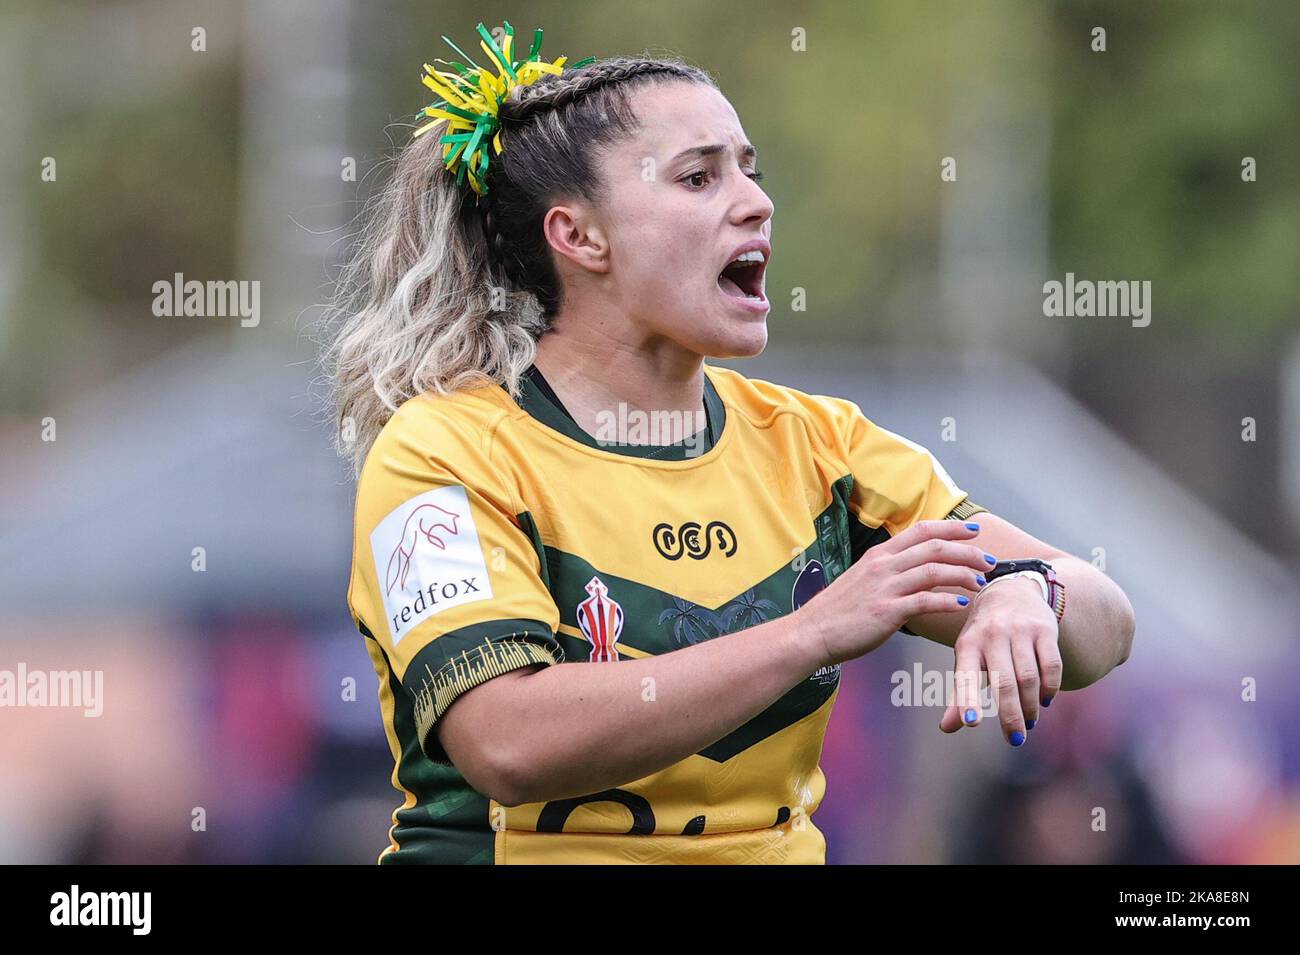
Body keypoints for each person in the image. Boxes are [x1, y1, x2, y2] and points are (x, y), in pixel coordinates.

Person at [324, 21, 1136, 864]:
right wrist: (810, 633)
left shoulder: (819, 445)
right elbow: (507, 743)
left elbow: (1107, 621)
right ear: (578, 236)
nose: (755, 201)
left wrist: (1028, 593)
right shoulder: (444, 450)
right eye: (699, 176)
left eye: (750, 170)